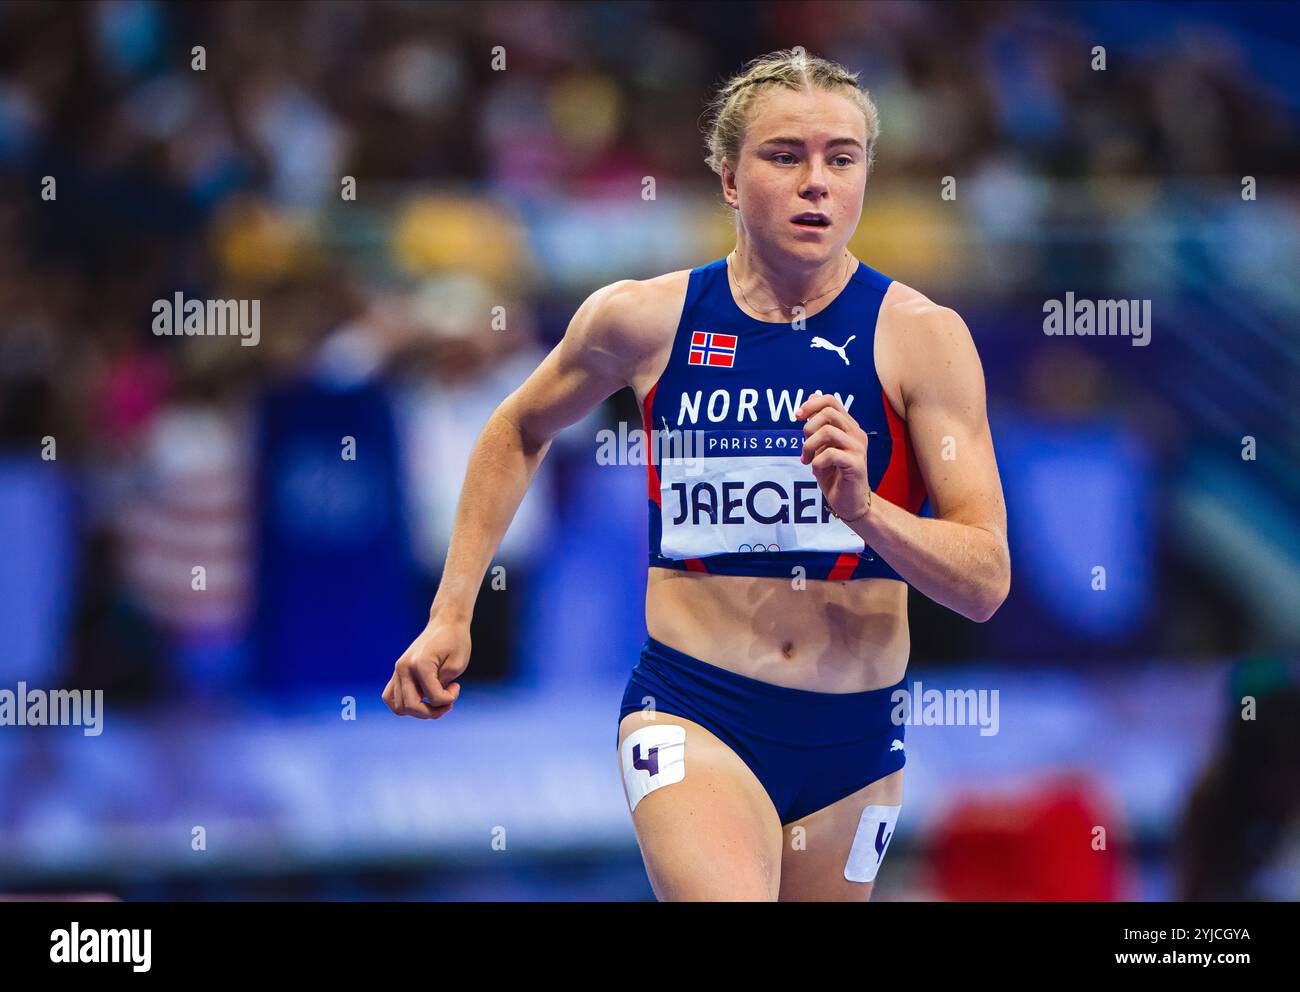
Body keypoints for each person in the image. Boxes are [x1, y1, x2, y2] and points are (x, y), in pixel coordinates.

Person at [383, 49, 1010, 901]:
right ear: (727, 177)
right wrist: (450, 614)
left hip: (856, 734)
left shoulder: (923, 338)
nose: (816, 182)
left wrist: (868, 512)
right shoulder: (641, 319)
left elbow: (984, 581)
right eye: (785, 156)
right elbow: (517, 427)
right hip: (694, 707)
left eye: (842, 158)